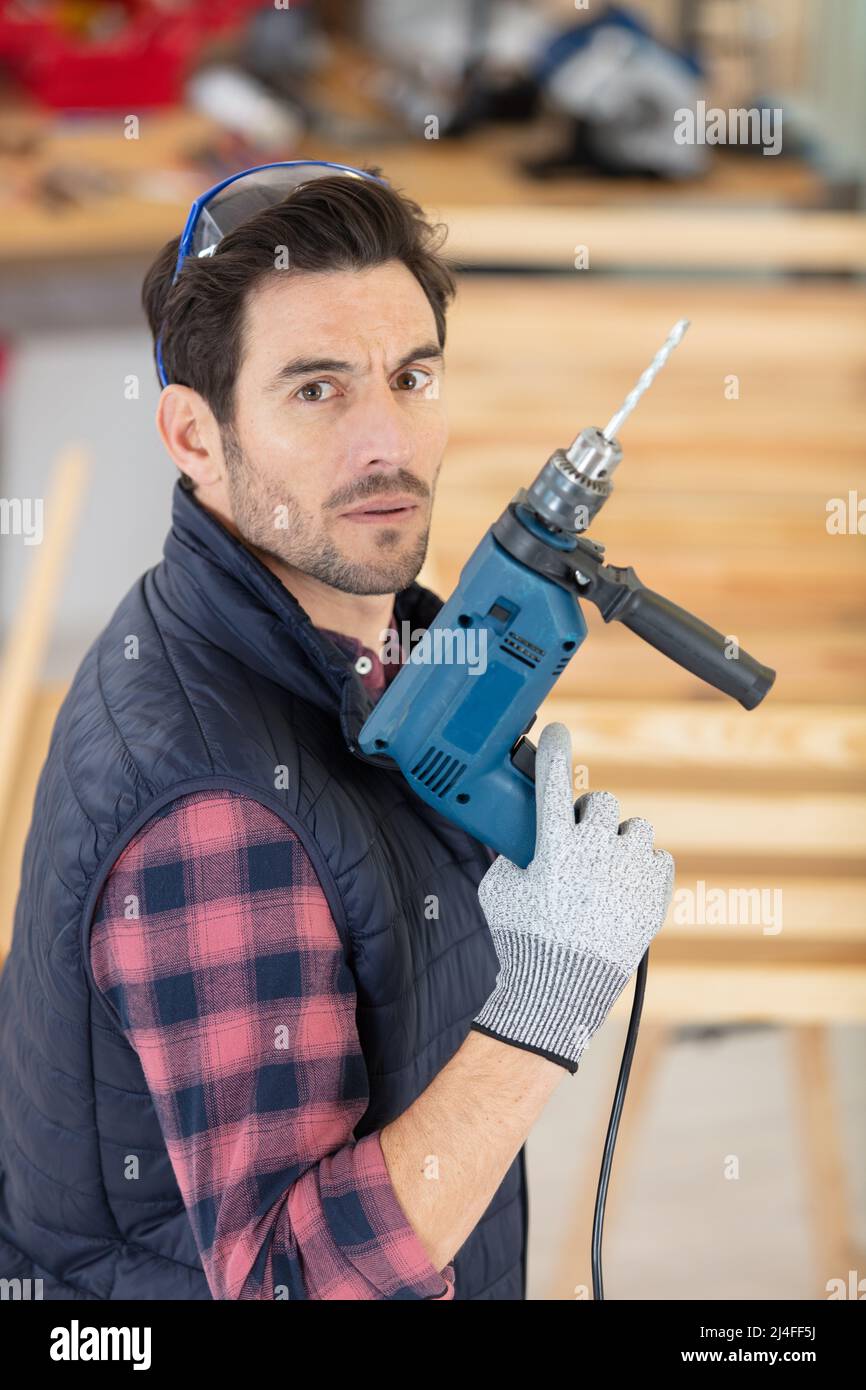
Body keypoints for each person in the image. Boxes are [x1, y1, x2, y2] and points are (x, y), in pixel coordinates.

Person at [0, 162, 674, 1301]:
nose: (386, 444)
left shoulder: (305, 642)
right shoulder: (213, 812)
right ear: (193, 436)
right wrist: (541, 1009)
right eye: (316, 390)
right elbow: (283, 1286)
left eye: (411, 377)